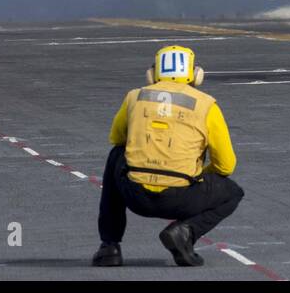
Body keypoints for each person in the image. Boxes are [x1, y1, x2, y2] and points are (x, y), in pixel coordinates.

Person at [93, 46, 243, 268]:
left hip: (136, 195)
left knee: (116, 155)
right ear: (196, 74)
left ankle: (109, 246)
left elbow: (116, 138)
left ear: (153, 73)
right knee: (233, 193)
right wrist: (196, 175)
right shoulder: (207, 106)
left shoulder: (135, 97)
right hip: (181, 198)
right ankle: (185, 231)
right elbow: (226, 165)